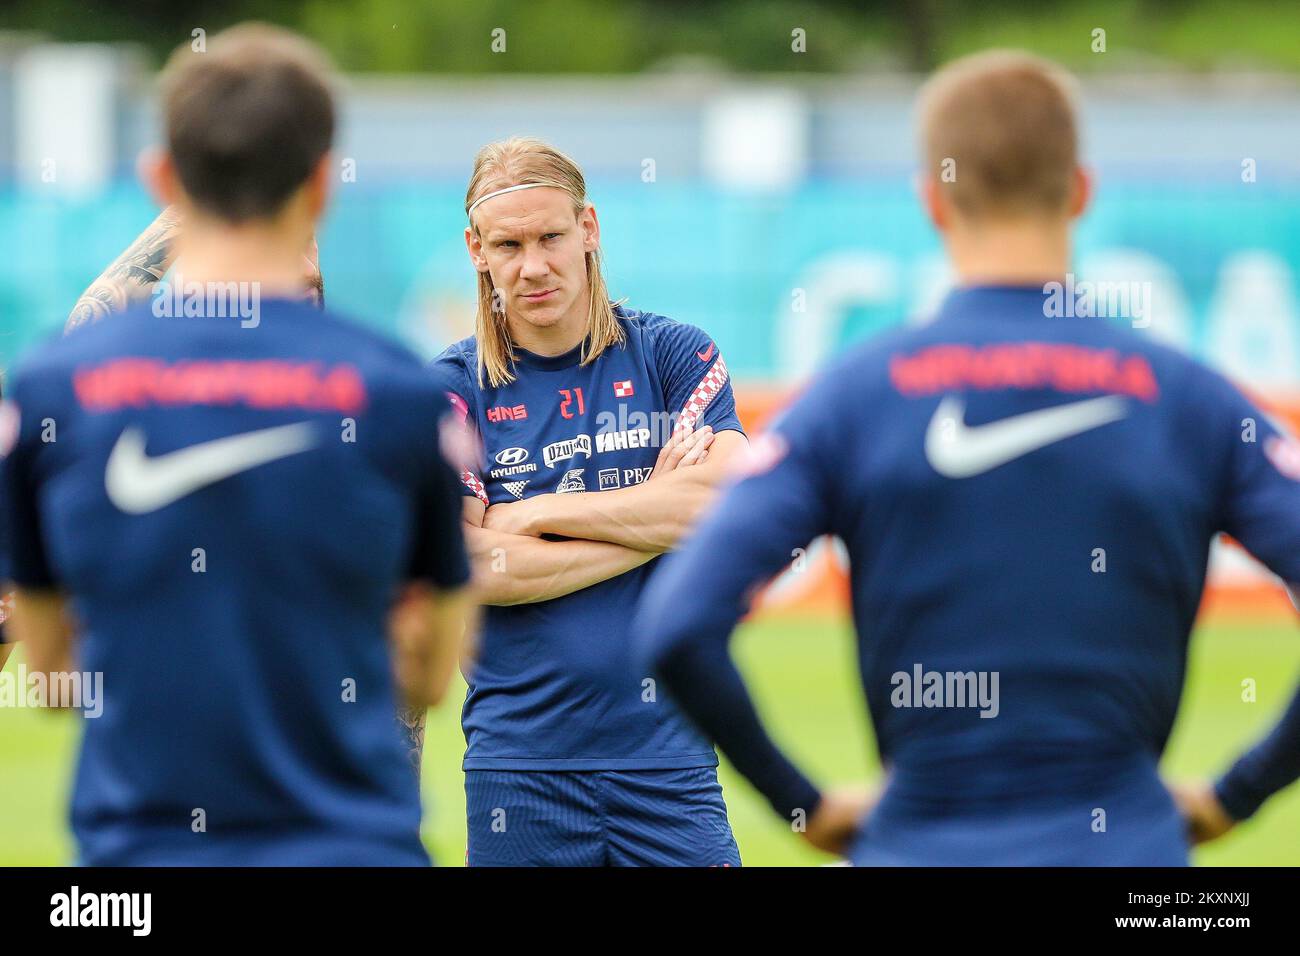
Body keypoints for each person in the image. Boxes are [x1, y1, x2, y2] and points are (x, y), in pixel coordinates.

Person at [635, 50, 1300, 865]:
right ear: (1082, 190)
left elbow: (677, 626)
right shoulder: (1190, 399)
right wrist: (1241, 793)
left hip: (919, 843)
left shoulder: (855, 397)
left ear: (933, 200)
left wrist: (804, 805)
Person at [0, 23, 473, 866]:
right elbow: (431, 675)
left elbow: (49, 675)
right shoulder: (402, 393)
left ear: (161, 180)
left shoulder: (54, 392)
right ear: (324, 185)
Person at [431, 137, 749, 866]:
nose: (533, 265)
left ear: (590, 230)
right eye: (509, 244)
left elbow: (727, 504)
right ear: (477, 249)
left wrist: (534, 515)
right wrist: (656, 517)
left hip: (671, 757)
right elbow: (472, 567)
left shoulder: (675, 356)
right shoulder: (451, 387)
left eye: (551, 237)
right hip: (519, 769)